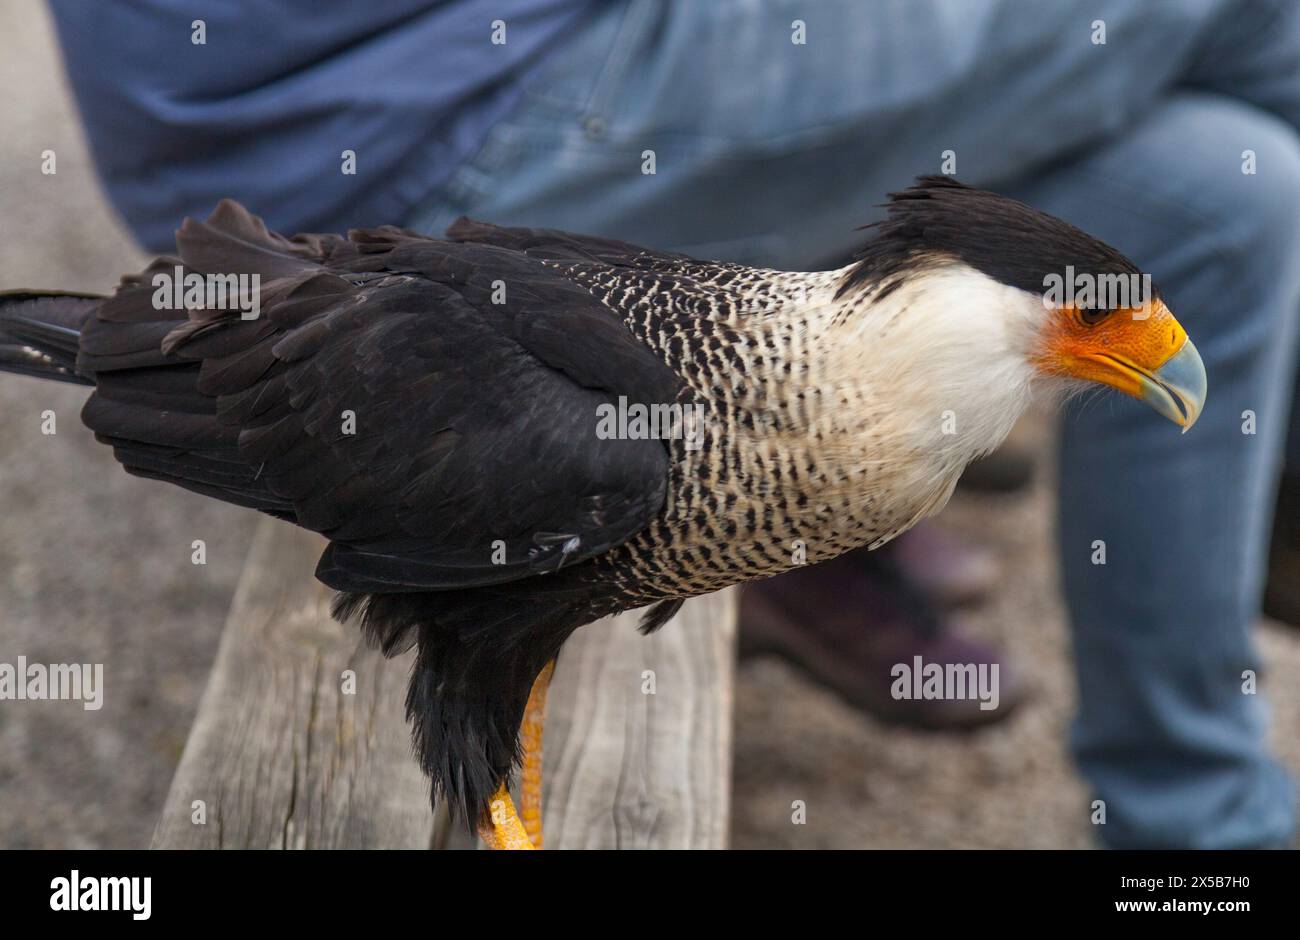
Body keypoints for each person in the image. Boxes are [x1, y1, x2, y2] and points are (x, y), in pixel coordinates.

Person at [50, 0, 1300, 847]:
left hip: (508, 65)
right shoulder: (594, 441)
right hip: (395, 112)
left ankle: (1199, 840)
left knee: (1223, 183)